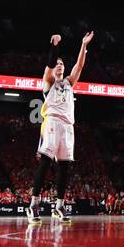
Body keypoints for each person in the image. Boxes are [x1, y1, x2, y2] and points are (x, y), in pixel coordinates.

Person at [28, 32, 94, 225]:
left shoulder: (69, 82)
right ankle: (33, 204)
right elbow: (49, 65)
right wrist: (55, 46)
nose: (59, 66)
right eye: (57, 64)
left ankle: (59, 206)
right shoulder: (48, 83)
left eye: (62, 64)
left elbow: (79, 66)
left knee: (65, 167)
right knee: (46, 162)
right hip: (51, 123)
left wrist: (83, 45)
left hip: (68, 126)